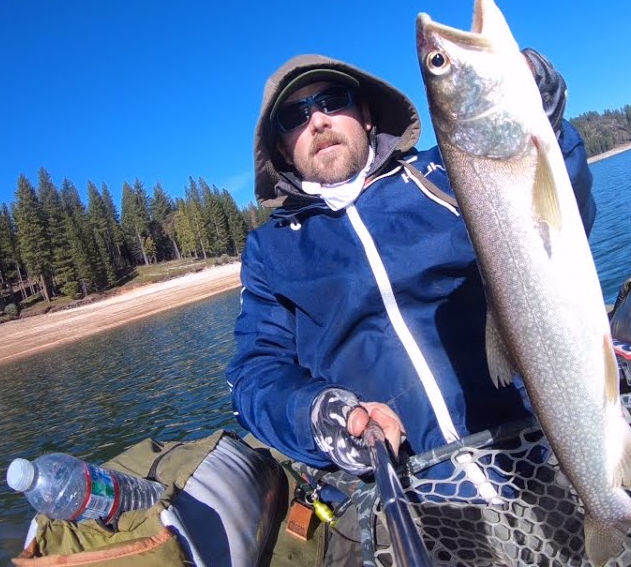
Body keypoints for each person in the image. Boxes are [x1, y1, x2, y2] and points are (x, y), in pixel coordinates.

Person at [224, 49, 596, 559]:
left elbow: (557, 216)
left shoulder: (446, 171)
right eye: (296, 115)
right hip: (404, 491)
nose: (318, 120)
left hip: (533, 434)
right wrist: (323, 416)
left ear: (368, 114)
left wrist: (542, 121)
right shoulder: (270, 252)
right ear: (282, 149)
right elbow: (254, 374)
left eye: (333, 100)